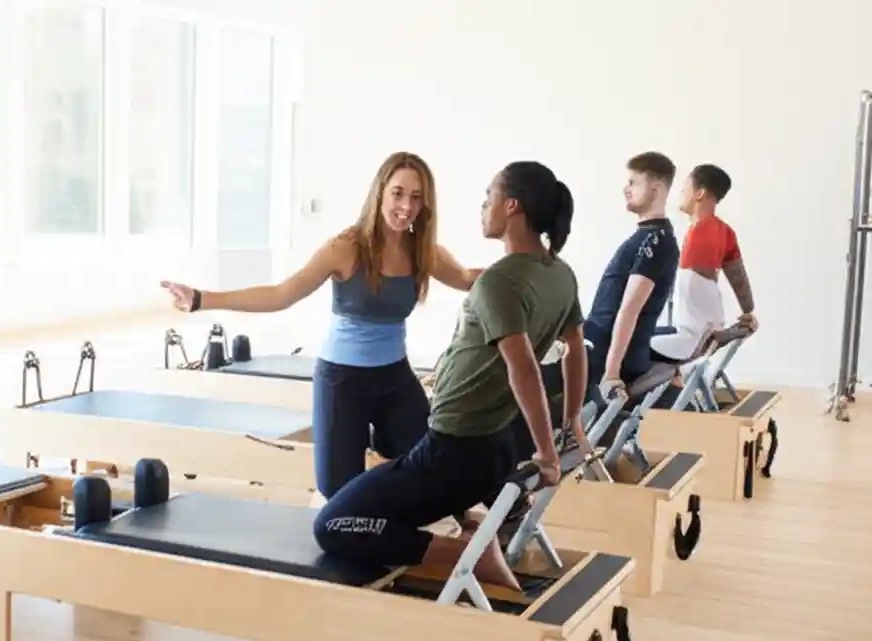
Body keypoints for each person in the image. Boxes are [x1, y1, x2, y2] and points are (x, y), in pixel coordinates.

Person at [311, 160, 587, 590]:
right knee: (369, 487)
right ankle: (475, 533)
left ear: (511, 206)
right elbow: (575, 351)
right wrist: (573, 425)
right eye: (399, 194)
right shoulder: (560, 274)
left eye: (488, 198)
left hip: (453, 453)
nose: (482, 206)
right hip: (490, 450)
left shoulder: (499, 282)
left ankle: (470, 555)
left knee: (334, 523)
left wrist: (548, 452)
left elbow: (523, 368)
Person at [160, 151, 481, 499]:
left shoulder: (423, 250)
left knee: (431, 460)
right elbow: (282, 294)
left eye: (416, 197)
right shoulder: (345, 248)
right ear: (380, 193)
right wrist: (202, 299)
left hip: (394, 378)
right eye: (398, 193)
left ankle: (380, 453)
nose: (406, 205)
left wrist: (531, 270)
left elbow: (467, 278)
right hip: (343, 379)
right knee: (337, 490)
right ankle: (358, 444)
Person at [576, 151, 681, 400]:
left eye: (633, 182)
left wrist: (611, 374)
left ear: (655, 189)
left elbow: (629, 310)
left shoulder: (655, 242)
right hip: (595, 340)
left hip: (599, 353)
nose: (626, 188)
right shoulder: (651, 237)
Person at [651, 163, 757, 362]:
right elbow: (740, 282)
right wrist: (747, 313)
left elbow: (697, 284)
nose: (681, 192)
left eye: (685, 188)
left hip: (690, 341)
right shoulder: (725, 232)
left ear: (699, 193)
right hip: (704, 336)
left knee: (623, 345)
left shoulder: (698, 234)